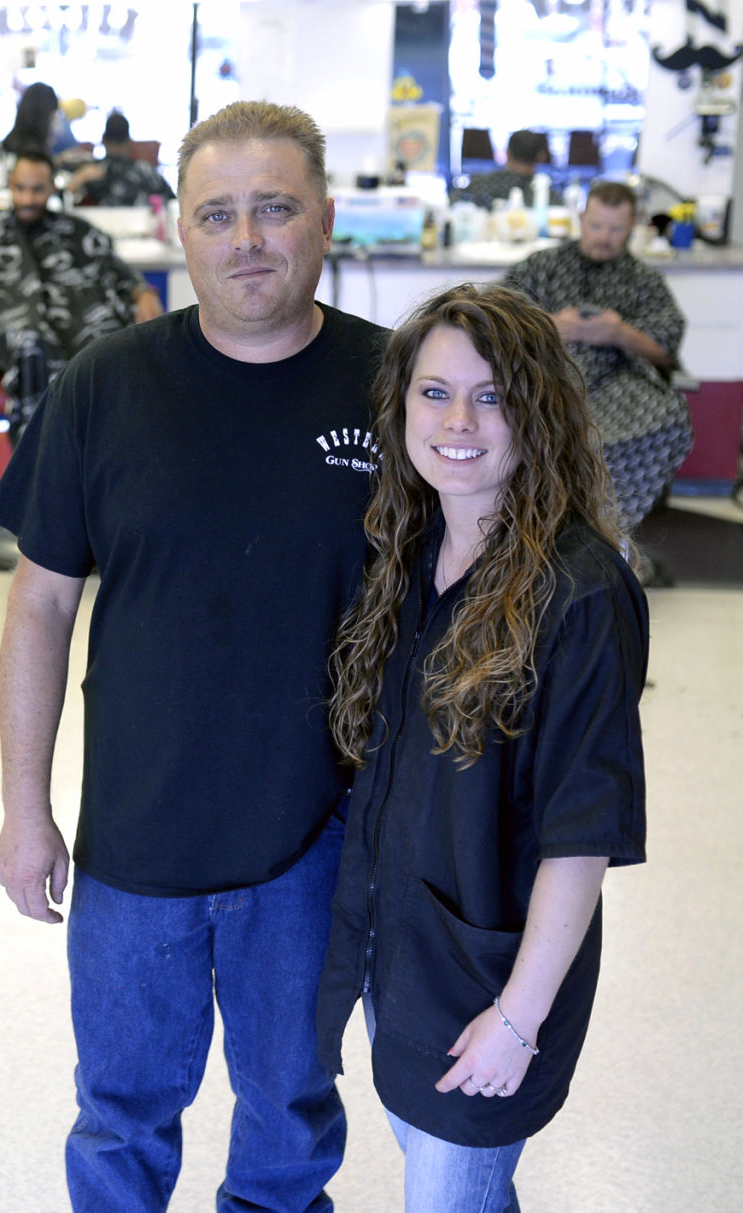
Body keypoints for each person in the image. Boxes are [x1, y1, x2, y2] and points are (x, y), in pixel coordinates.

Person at [0, 100, 386, 1211]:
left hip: (314, 838)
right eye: (217, 213)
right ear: (177, 228)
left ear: (323, 218)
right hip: (134, 841)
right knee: (119, 1113)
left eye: (274, 208)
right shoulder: (105, 384)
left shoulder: (394, 385)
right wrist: (26, 809)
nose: (246, 238)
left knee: (291, 1110)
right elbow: (39, 606)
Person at [318, 283, 647, 1209]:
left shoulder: (579, 593)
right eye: (435, 392)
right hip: (405, 952)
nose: (458, 420)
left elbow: (583, 836)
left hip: (489, 983)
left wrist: (518, 1019)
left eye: (492, 395)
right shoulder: (413, 551)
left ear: (535, 410)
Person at [502, 179, 692, 531]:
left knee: (659, 420)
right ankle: (530, 530)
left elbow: (665, 351)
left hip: (618, 385)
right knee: (540, 423)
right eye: (596, 226)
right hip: (549, 378)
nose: (604, 237)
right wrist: (550, 325)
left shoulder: (644, 280)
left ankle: (607, 533)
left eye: (616, 229)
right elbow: (496, 323)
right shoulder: (541, 267)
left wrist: (620, 334)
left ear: (633, 224)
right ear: (581, 217)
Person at [0, 150, 162, 385]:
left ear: (52, 187)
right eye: (20, 188)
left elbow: (116, 270)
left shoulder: (76, 232)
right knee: (30, 349)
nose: (27, 199)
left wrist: (142, 292)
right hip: (21, 347)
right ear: (9, 186)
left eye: (37, 189)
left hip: (85, 339)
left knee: (112, 350)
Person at [68, 109, 175, 208]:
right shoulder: (146, 171)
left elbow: (63, 201)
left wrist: (78, 179)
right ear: (129, 141)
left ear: (103, 140)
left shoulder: (90, 170)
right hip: (140, 225)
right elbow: (172, 202)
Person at [451, 129, 545, 208]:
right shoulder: (545, 194)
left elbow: (453, 200)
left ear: (508, 154)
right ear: (540, 157)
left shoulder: (481, 185)